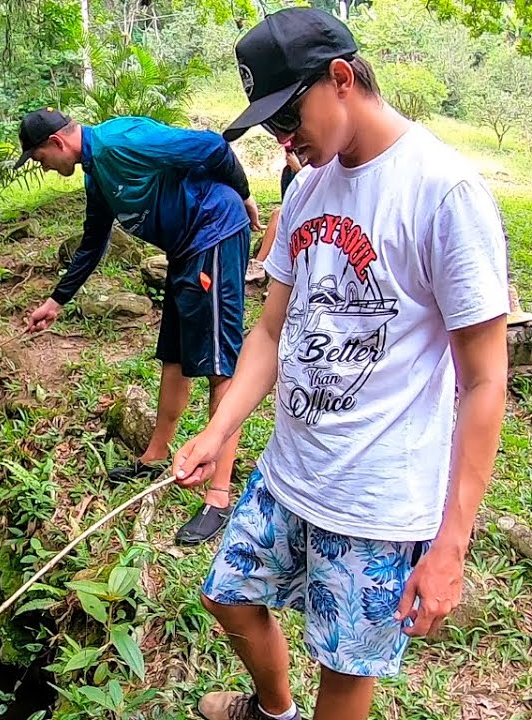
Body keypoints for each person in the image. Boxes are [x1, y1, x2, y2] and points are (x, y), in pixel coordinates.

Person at [173, 8, 509, 720]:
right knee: (225, 596)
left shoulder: (443, 191)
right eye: (269, 126)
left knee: (344, 672)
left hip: (377, 501)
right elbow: (269, 333)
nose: (283, 139)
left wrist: (451, 545)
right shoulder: (309, 189)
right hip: (291, 469)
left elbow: (484, 379)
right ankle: (274, 712)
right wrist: (218, 431)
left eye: (289, 116)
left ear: (342, 78)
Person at [14, 108, 262, 545]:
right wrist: (57, 301)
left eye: (38, 159)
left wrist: (243, 195)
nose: (45, 169)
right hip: (184, 248)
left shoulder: (122, 141)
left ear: (56, 143)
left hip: (215, 232)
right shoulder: (96, 172)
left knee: (220, 364)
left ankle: (219, 496)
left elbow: (212, 146)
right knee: (174, 355)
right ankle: (154, 455)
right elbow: (94, 241)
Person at [248, 148, 305, 283]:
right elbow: (287, 201)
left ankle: (259, 265)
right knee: (278, 214)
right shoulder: (288, 172)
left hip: (317, 214)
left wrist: (299, 170)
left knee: (278, 214)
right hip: (295, 214)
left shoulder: (318, 168)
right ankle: (260, 267)